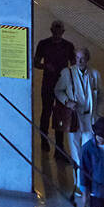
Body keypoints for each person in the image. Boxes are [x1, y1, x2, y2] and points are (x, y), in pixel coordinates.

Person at [55, 46, 97, 194]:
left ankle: (88, 184)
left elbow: (102, 96)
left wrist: (97, 114)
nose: (79, 61)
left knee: (89, 152)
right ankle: (80, 185)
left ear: (87, 59)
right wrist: (67, 101)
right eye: (77, 58)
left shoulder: (94, 74)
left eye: (83, 58)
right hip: (73, 118)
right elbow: (58, 90)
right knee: (76, 153)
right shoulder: (67, 73)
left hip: (89, 119)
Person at [34, 21, 76, 152]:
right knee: (47, 112)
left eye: (59, 32)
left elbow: (74, 64)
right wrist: (46, 66)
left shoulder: (68, 46)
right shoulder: (44, 44)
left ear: (62, 32)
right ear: (52, 31)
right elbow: (36, 62)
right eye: (55, 32)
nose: (57, 34)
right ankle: (45, 140)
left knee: (59, 114)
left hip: (62, 85)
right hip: (48, 83)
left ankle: (58, 145)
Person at [81, 116, 104, 207]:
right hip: (97, 192)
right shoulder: (88, 148)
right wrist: (84, 192)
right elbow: (84, 171)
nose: (102, 139)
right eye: (100, 136)